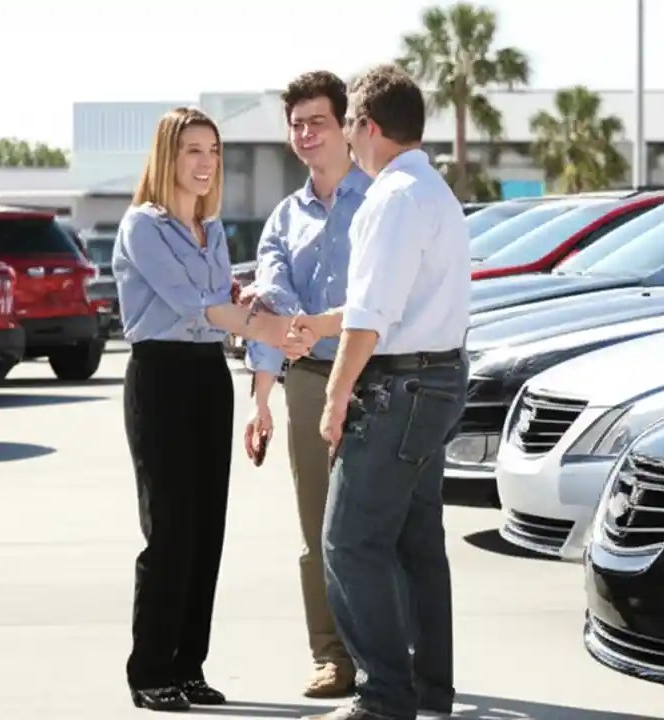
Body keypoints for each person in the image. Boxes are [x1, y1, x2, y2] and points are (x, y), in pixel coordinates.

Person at [113, 106, 311, 712]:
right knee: (170, 530)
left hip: (207, 376)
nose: (206, 163)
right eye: (193, 150)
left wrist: (253, 318)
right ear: (167, 156)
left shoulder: (214, 229)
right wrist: (273, 330)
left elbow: (222, 304)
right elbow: (196, 305)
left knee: (206, 531)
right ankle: (151, 671)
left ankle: (188, 667)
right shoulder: (143, 225)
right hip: (161, 377)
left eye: (214, 151)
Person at [292, 64, 471, 720]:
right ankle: (428, 689)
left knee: (348, 543)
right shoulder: (433, 190)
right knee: (416, 542)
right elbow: (392, 301)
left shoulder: (391, 197)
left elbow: (372, 318)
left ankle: (385, 697)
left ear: (366, 126)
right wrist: (323, 324)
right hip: (436, 379)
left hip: (399, 389)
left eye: (346, 126)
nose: (344, 138)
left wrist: (335, 398)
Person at [239, 70, 371, 699]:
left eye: (318, 121)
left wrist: (307, 324)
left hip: (376, 377)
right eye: (296, 124)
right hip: (310, 378)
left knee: (378, 526)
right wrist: (261, 398)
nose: (306, 133)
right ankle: (331, 655)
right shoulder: (285, 217)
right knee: (317, 526)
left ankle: (391, 656)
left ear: (345, 125)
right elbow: (270, 295)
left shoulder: (379, 199)